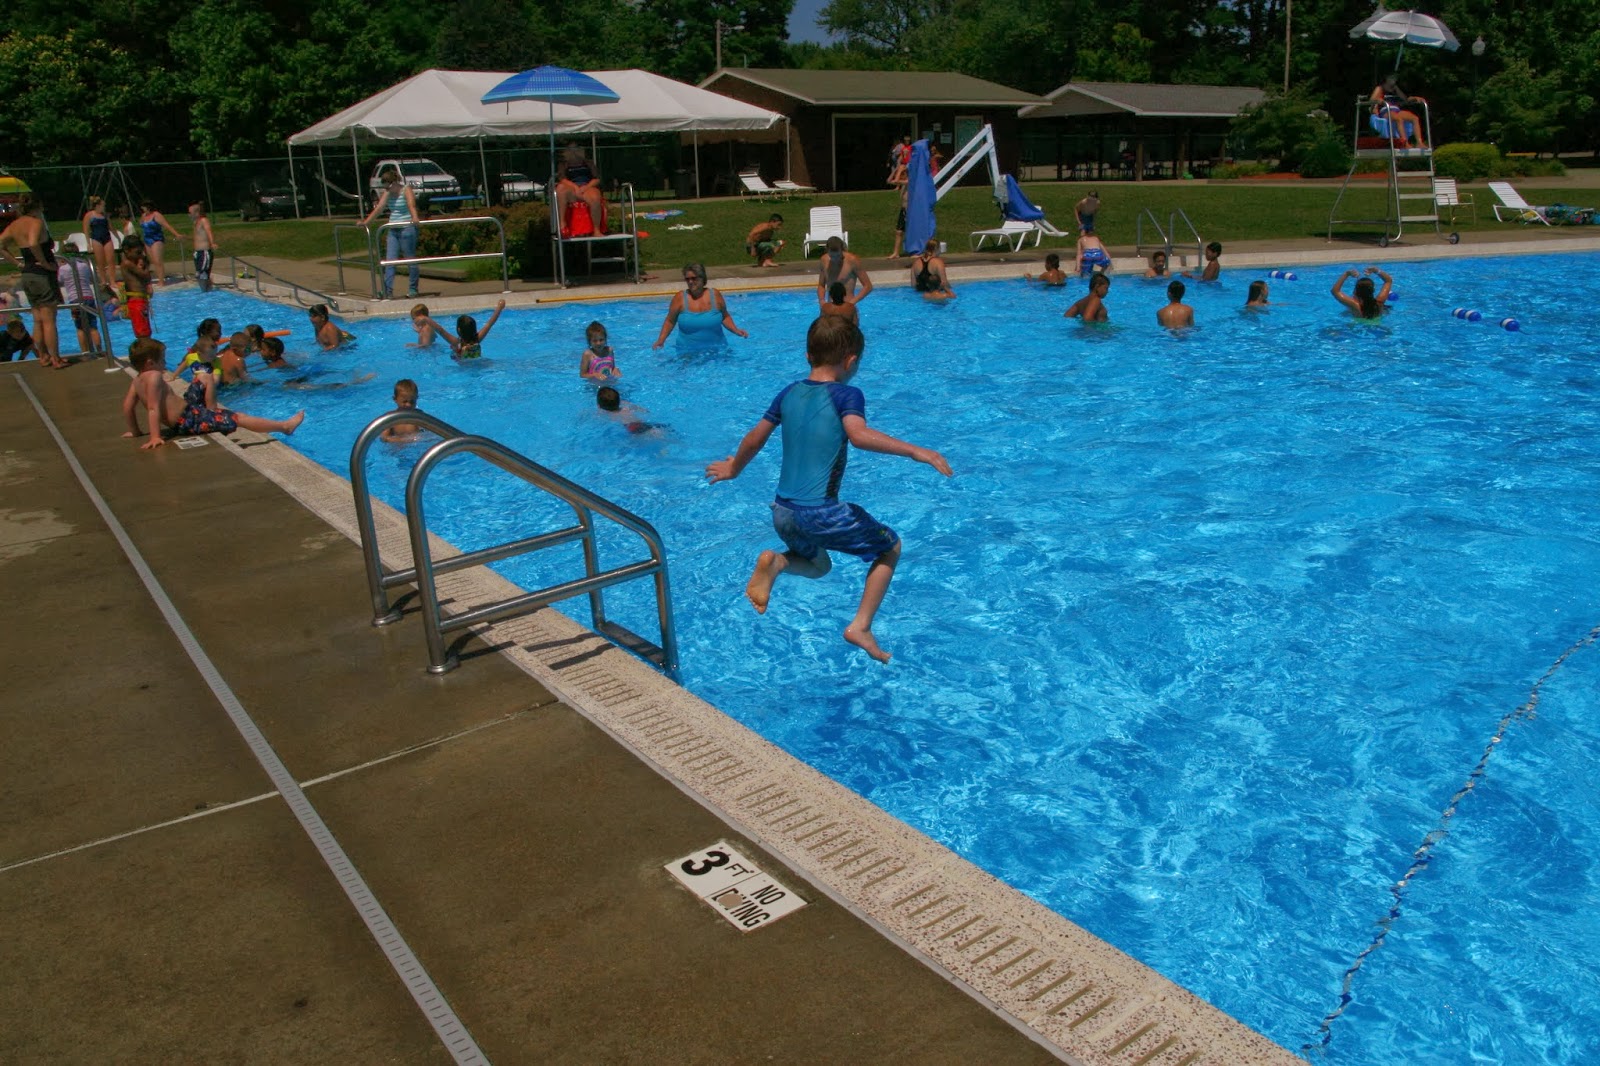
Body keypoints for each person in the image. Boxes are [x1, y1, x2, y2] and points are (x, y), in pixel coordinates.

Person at [705, 315, 952, 663]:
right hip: (820, 512)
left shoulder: (788, 392)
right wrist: (917, 450)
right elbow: (859, 435)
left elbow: (755, 438)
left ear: (808, 356)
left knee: (819, 565)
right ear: (851, 361)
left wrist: (733, 468)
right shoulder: (845, 394)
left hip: (783, 512)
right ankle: (861, 626)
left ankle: (775, 563)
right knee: (890, 547)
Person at [121, 338, 304, 450]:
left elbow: (128, 406)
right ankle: (284, 427)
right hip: (188, 421)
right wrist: (155, 436)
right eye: (162, 360)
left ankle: (211, 410)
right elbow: (153, 409)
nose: (165, 362)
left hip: (189, 411)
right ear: (151, 362)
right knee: (239, 417)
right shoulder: (154, 377)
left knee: (204, 377)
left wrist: (136, 431)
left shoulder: (137, 379)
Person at [0, 193, 66, 367]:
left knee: (37, 319)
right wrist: (44, 263)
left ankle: (43, 356)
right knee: (49, 319)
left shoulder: (14, 225)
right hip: (42, 274)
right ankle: (55, 358)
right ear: (38, 206)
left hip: (27, 274)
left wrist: (17, 264)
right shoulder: (36, 223)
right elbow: (33, 242)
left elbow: (1, 244)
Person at [652, 263, 748, 349]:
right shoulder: (680, 298)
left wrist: (736, 330)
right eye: (687, 279)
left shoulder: (715, 295)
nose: (690, 282)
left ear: (703, 279)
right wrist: (661, 340)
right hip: (687, 352)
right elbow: (670, 321)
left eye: (694, 278)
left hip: (717, 349)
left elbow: (725, 316)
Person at [361, 165, 421, 299]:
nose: (386, 190)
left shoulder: (406, 190)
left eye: (388, 187)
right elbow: (379, 209)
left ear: (394, 183)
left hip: (407, 228)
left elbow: (411, 205)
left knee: (410, 259)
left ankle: (413, 289)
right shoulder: (388, 193)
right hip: (393, 229)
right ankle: (387, 290)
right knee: (389, 261)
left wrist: (415, 217)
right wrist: (366, 222)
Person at [426, 299, 506, 361]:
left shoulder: (457, 342)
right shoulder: (477, 339)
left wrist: (425, 319)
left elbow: (441, 330)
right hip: (478, 364)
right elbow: (489, 324)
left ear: (459, 330)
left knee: (454, 352)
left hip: (463, 369)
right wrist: (499, 307)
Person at [57, 253, 102, 356]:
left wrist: (60, 267)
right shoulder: (85, 265)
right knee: (93, 327)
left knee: (80, 328)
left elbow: (59, 281)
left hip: (74, 299)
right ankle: (99, 351)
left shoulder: (63, 269)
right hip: (88, 297)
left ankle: (85, 352)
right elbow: (92, 277)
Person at [555, 144, 605, 233]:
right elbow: (562, 179)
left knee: (595, 197)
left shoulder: (588, 163)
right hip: (571, 188)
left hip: (587, 186)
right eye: (571, 150)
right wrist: (575, 187)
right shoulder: (564, 164)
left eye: (576, 149)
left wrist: (586, 187)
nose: (574, 152)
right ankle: (562, 223)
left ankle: (596, 230)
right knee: (560, 188)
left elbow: (597, 179)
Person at [1370, 74, 1426, 149]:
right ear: (1386, 78)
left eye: (1395, 78)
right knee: (1398, 119)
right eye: (1392, 78)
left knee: (1414, 118)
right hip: (1385, 110)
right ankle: (1404, 143)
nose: (1394, 80)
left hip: (1396, 109)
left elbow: (1404, 99)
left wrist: (1413, 98)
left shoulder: (1396, 89)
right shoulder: (1380, 88)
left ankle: (1419, 143)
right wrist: (1378, 100)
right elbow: (1372, 100)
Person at [816, 236, 873, 306]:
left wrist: (852, 302)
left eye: (838, 256)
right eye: (832, 256)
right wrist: (822, 301)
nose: (835, 259)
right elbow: (821, 285)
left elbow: (868, 286)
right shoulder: (824, 260)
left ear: (842, 250)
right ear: (827, 250)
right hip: (830, 305)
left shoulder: (852, 260)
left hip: (848, 304)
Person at [138, 201, 180, 285]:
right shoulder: (144, 216)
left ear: (148, 207)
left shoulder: (156, 215)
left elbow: (167, 225)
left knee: (158, 260)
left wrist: (176, 234)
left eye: (143, 207)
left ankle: (161, 281)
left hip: (156, 239)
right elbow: (141, 224)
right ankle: (159, 278)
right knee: (153, 261)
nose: (142, 208)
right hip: (147, 239)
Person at [120, 240, 153, 341]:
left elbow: (146, 279)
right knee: (142, 332)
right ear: (127, 250)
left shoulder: (133, 263)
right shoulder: (127, 263)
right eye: (138, 253)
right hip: (136, 301)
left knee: (146, 330)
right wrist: (146, 265)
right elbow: (145, 275)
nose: (141, 256)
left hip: (141, 300)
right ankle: (145, 351)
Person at [82, 195, 116, 285]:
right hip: (96, 239)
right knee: (100, 261)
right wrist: (88, 244)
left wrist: (117, 237)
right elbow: (86, 230)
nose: (104, 208)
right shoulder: (89, 215)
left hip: (107, 237)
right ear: (98, 206)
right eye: (103, 206)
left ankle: (112, 281)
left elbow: (111, 227)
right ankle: (103, 281)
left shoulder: (105, 215)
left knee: (111, 260)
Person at [189, 201, 217, 292]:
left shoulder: (203, 220)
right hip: (197, 252)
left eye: (190, 213)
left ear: (197, 212)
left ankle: (206, 291)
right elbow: (197, 237)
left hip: (204, 251)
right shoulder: (195, 222)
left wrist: (212, 243)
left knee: (203, 273)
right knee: (199, 274)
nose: (189, 215)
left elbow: (209, 231)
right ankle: (206, 290)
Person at [889, 186, 908, 259]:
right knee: (899, 231)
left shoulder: (912, 180)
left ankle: (920, 250)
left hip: (910, 210)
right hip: (903, 210)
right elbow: (889, 181)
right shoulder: (904, 184)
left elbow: (895, 180)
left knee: (915, 231)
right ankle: (896, 252)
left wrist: (897, 174)